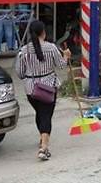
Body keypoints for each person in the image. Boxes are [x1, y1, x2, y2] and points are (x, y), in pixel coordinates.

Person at [15, 20, 71, 161]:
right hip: (47, 87)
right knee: (46, 115)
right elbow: (62, 66)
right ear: (43, 32)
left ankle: (42, 138)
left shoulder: (24, 50)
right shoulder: (51, 48)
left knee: (40, 113)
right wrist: (66, 56)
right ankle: (44, 147)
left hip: (31, 90)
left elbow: (20, 73)